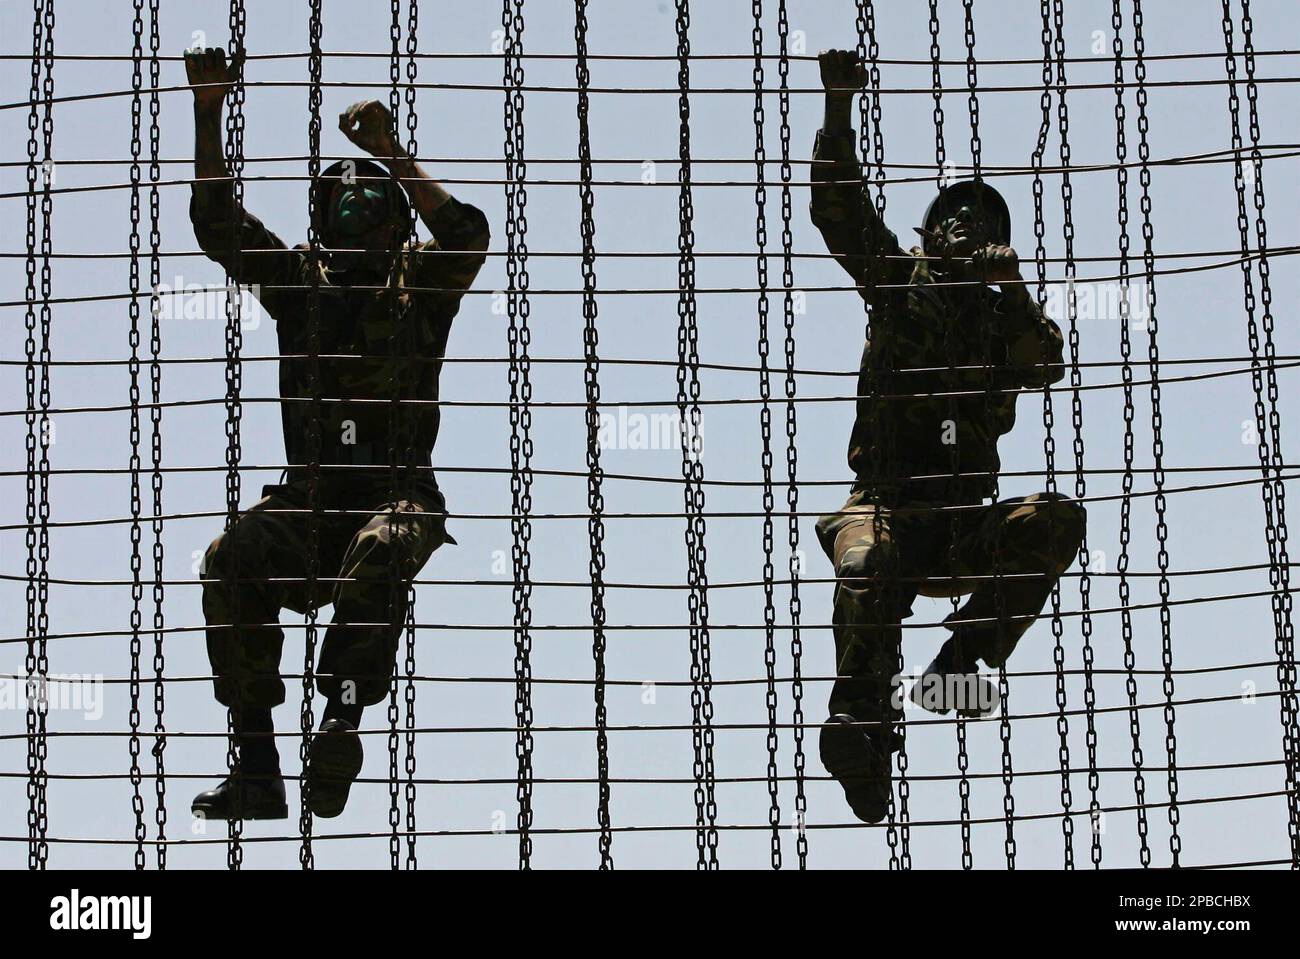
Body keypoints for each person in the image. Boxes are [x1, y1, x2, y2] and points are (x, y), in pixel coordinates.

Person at [183, 47, 489, 820]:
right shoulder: (297, 285)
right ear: (319, 223)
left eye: (372, 203)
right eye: (339, 202)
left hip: (396, 495)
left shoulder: (418, 285)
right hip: (312, 504)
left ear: (393, 224)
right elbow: (216, 224)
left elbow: (468, 235)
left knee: (381, 551)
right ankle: (257, 763)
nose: (354, 210)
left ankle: (340, 724)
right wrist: (209, 107)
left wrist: (390, 151)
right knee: (232, 557)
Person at [811, 50, 1086, 824]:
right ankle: (861, 729)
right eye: (952, 218)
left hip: (962, 526)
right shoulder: (899, 284)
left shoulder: (1006, 323)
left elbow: (1047, 363)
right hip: (887, 510)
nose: (967, 224)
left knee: (1056, 520)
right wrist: (838, 106)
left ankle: (955, 669)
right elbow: (837, 210)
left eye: (984, 221)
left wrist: (1015, 287)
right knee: (866, 566)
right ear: (928, 235)